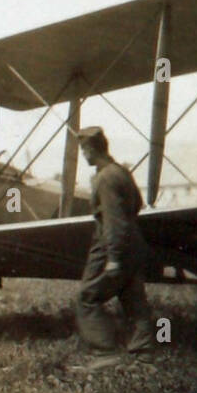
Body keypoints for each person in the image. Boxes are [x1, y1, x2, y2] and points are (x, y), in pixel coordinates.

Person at [74, 127, 155, 369]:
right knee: (134, 300)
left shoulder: (105, 177)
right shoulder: (121, 172)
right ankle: (144, 356)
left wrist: (113, 257)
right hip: (134, 242)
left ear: (90, 150)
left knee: (86, 297)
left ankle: (104, 354)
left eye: (83, 150)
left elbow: (112, 219)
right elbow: (137, 205)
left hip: (112, 244)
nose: (83, 155)